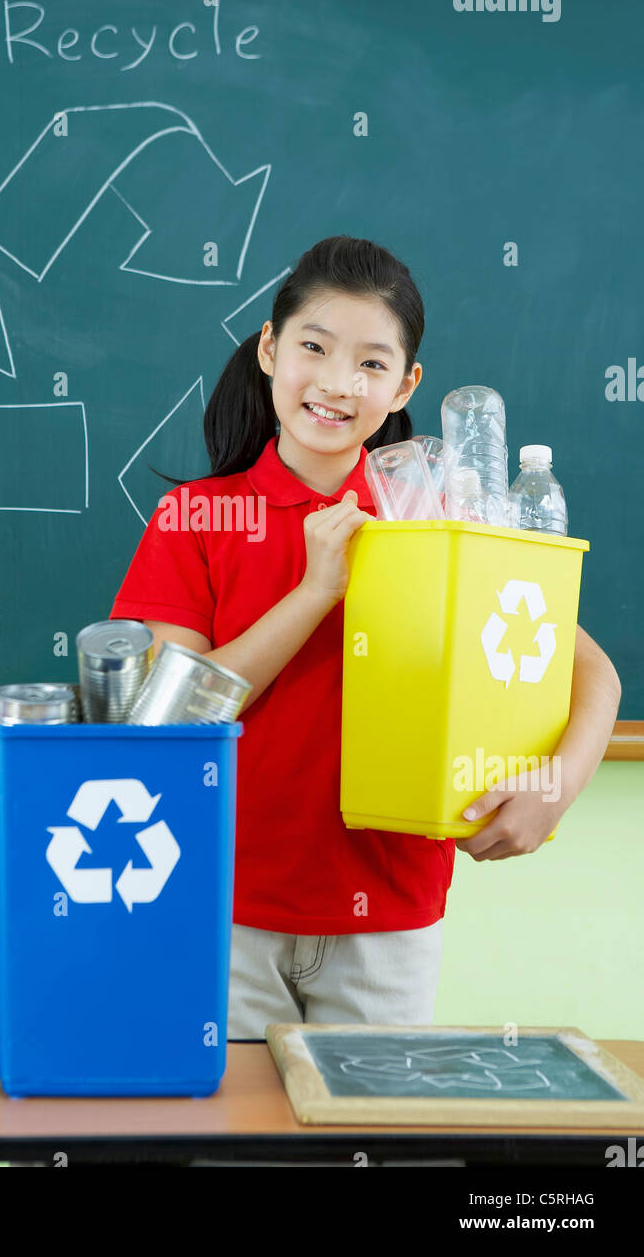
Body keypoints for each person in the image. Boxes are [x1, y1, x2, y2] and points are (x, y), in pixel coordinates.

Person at [109, 235, 622, 1038]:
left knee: (367, 1152)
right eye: (314, 347)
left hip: (388, 915)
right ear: (271, 349)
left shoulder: (434, 518)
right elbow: (170, 718)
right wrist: (315, 592)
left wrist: (556, 786)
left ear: (406, 382)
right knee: (232, 1151)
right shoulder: (196, 519)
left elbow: (595, 674)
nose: (340, 383)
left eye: (373, 364)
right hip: (219, 905)